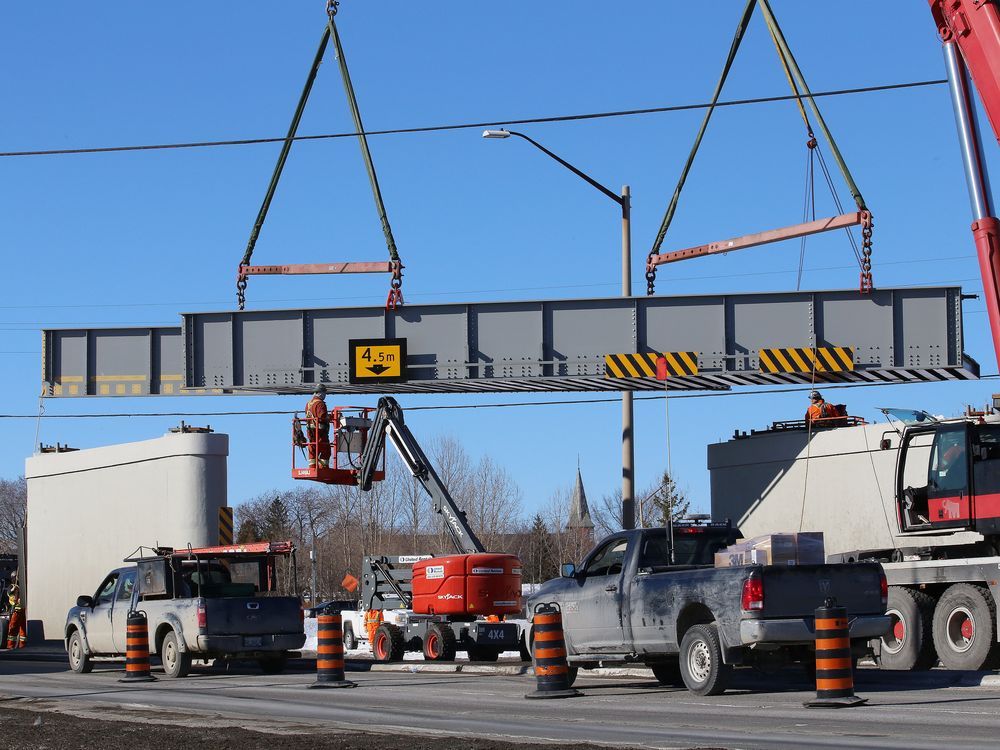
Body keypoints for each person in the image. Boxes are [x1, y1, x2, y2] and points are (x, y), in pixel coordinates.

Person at [305, 384, 331, 469]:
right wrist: (331, 417)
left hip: (311, 432)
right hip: (320, 432)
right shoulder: (320, 404)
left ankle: (312, 467)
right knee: (325, 449)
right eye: (324, 393)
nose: (325, 395)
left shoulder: (308, 404)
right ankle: (323, 467)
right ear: (319, 393)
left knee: (312, 449)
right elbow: (322, 417)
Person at [6, 571, 26, 649]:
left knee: (23, 630)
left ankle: (23, 646)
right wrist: (13, 590)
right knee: (13, 630)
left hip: (23, 611)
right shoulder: (11, 586)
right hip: (16, 611)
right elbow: (9, 593)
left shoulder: (22, 587)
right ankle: (10, 646)